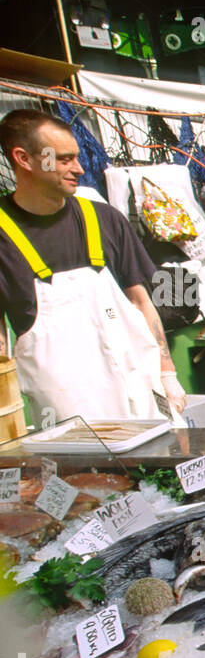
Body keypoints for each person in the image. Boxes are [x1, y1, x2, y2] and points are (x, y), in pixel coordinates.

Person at [0, 109, 186, 423]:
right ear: (23, 159)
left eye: (77, 157)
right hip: (69, 410)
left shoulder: (103, 219)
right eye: (64, 159)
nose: (79, 168)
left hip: (141, 388)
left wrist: (167, 372)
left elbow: (141, 301)